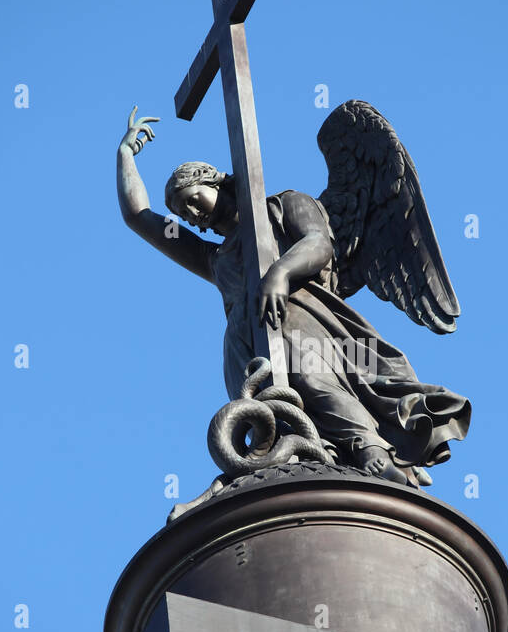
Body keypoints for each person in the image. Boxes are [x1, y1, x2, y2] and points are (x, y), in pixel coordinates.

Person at [116, 107, 470, 485]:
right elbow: (141, 218)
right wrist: (125, 157)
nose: (190, 214)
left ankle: (371, 449)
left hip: (301, 316)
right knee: (267, 413)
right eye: (182, 213)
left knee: (312, 379)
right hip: (246, 348)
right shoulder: (215, 258)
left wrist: (280, 272)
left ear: (216, 183)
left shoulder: (284, 204)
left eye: (192, 198)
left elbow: (318, 244)